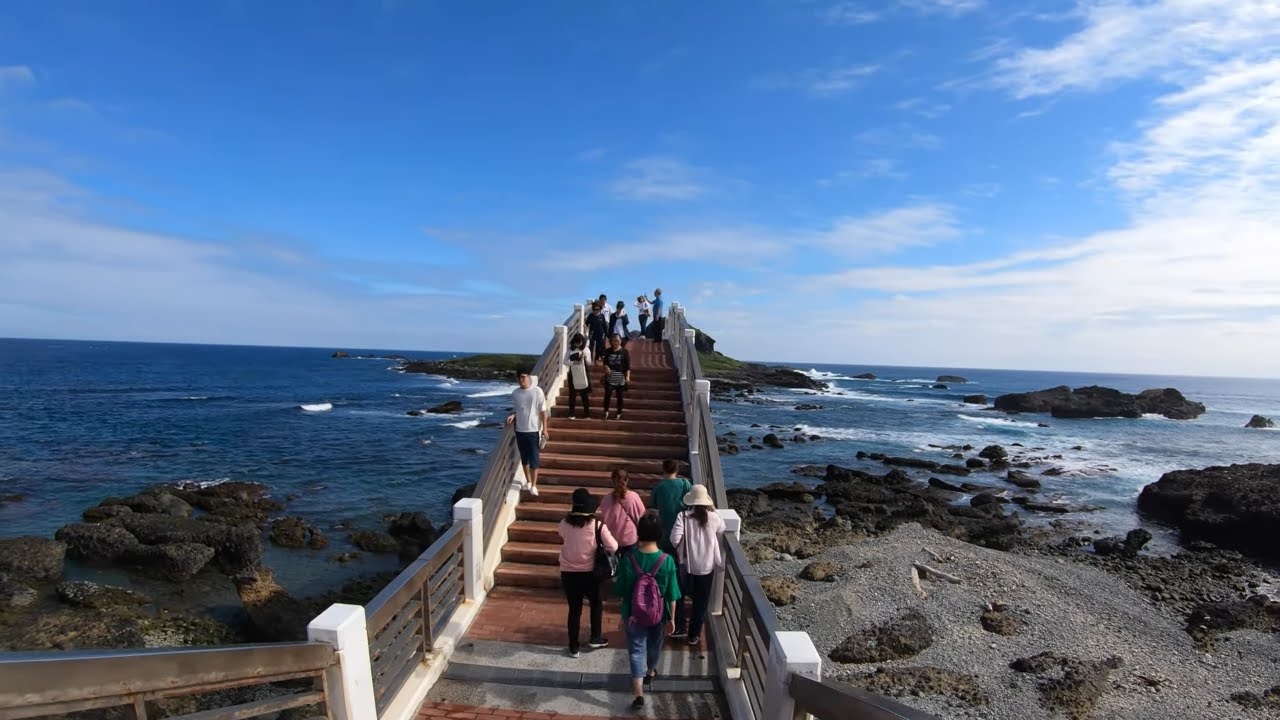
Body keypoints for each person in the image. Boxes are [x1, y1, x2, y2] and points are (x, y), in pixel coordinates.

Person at [614, 512, 680, 709]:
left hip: (632, 614)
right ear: (661, 534)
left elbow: (622, 591)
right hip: (658, 615)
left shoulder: (629, 558)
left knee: (636, 650)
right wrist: (672, 619)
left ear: (639, 533)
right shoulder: (667, 560)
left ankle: (638, 692)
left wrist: (622, 613)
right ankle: (651, 670)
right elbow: (672, 594)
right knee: (654, 645)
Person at [559, 488, 617, 657]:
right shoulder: (598, 526)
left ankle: (573, 646)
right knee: (596, 605)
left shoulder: (563, 523)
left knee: (574, 609)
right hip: (591, 573)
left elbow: (562, 535)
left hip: (568, 573)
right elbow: (613, 546)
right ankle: (595, 637)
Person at [670, 484, 725, 648]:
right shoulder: (714, 517)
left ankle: (680, 627)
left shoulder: (683, 516)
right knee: (701, 602)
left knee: (680, 596)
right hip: (707, 566)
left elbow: (674, 539)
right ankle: (694, 635)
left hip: (686, 564)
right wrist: (713, 509)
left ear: (691, 501)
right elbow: (722, 528)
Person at [649, 459, 693, 635]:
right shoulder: (685, 483)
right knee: (680, 582)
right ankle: (679, 622)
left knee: (664, 579)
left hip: (663, 538)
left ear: (663, 469)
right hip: (682, 538)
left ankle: (662, 617)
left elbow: (653, 508)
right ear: (678, 469)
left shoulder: (659, 488)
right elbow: (691, 503)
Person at [505, 370, 548, 496]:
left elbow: (543, 411)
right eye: (519, 378)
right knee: (524, 458)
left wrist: (544, 429)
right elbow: (518, 409)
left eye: (523, 377)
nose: (521, 380)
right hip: (519, 429)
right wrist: (513, 415)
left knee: (534, 458)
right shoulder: (515, 393)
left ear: (529, 377)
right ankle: (528, 481)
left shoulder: (537, 391)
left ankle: (534, 485)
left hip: (533, 430)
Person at [599, 468, 645, 556]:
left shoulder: (606, 499)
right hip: (630, 539)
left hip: (612, 540)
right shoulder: (633, 497)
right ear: (627, 480)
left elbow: (604, 518)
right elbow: (642, 517)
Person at [600, 334, 631, 420]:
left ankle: (619, 413)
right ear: (611, 342)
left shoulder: (625, 352)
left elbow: (628, 366)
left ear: (620, 341)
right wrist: (606, 367)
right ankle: (606, 411)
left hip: (620, 377)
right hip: (610, 377)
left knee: (619, 396)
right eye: (614, 341)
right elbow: (605, 363)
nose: (616, 342)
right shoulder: (608, 351)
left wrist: (627, 377)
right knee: (607, 394)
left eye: (618, 340)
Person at [565, 332, 592, 420]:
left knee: (584, 395)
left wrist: (585, 358)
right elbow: (565, 362)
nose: (577, 344)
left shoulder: (586, 349)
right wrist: (573, 360)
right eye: (576, 342)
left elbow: (590, 363)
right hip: (573, 373)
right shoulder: (570, 350)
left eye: (579, 342)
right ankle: (571, 413)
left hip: (583, 372)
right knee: (572, 394)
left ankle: (587, 414)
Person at [586, 301, 608, 366]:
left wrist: (606, 334)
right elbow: (586, 323)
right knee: (591, 348)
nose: (596, 311)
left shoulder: (602, 316)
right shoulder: (591, 315)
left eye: (598, 309)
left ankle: (596, 360)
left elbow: (604, 326)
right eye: (595, 309)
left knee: (599, 348)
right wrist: (586, 329)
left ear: (600, 309)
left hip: (600, 334)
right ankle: (590, 361)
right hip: (592, 334)